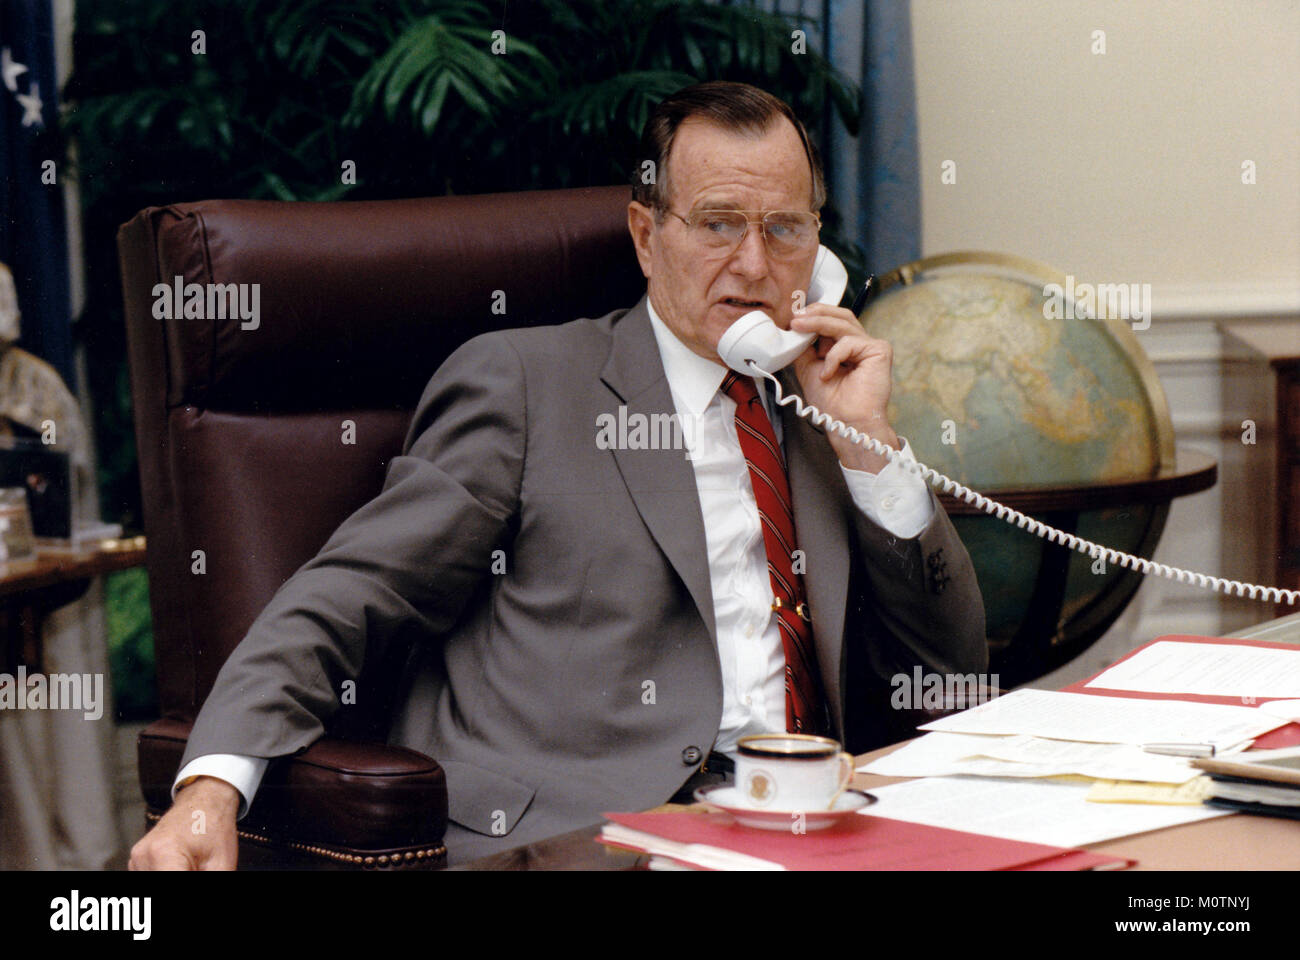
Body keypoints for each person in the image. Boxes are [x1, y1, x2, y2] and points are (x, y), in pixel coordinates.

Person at [130, 81, 985, 869]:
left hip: (807, 825)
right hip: (582, 840)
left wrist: (869, 444)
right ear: (648, 237)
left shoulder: (816, 407)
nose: (757, 267)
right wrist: (210, 789)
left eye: (786, 230)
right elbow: (348, 598)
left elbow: (949, 674)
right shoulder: (526, 386)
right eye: (720, 223)